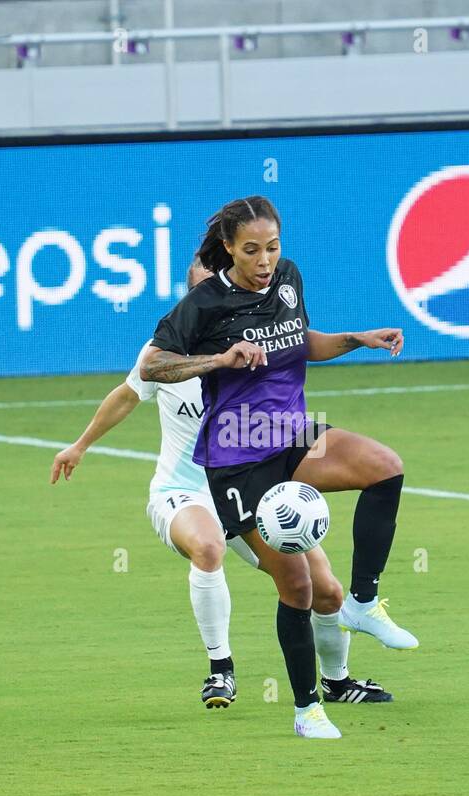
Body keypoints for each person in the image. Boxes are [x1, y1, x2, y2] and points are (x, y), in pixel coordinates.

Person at [51, 258, 393, 709]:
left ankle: (337, 681)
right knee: (209, 545)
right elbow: (127, 394)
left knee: (325, 590)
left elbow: (294, 371)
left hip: (249, 485)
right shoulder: (167, 354)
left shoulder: (259, 341)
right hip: (185, 492)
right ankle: (221, 669)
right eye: (210, 287)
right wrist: (79, 445)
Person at [141, 197, 418, 740]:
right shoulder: (204, 304)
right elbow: (153, 364)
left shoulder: (288, 278)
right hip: (237, 457)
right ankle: (307, 709)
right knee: (297, 586)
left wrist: (354, 339)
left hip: (290, 433)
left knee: (385, 467)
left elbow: (298, 344)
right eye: (251, 250)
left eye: (272, 247)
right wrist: (219, 360)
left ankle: (363, 603)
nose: (265, 260)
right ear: (228, 249)